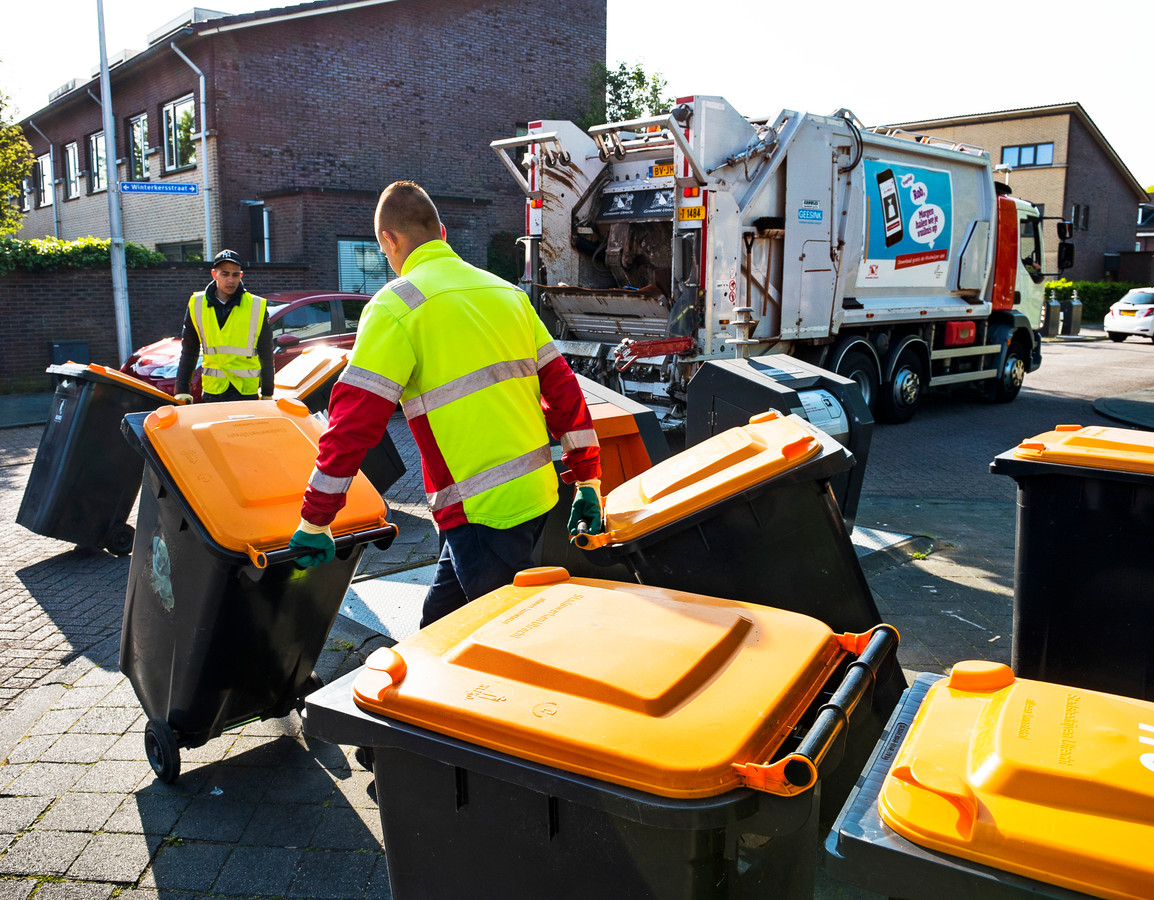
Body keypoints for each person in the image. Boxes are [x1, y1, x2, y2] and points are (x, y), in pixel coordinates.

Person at [289, 180, 602, 626]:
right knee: (438, 626)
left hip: (480, 512)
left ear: (388, 241)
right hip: (533, 494)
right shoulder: (506, 293)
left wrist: (315, 520)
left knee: (499, 640)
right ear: (442, 232)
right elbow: (564, 391)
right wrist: (587, 480)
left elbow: (352, 425)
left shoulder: (396, 307)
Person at [173, 249, 274, 403]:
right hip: (213, 391)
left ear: (241, 276)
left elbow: (265, 352)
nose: (230, 280)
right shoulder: (197, 304)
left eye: (235, 275)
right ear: (214, 274)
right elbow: (189, 350)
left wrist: (267, 392)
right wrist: (181, 390)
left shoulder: (256, 305)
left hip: (245, 392)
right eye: (225, 274)